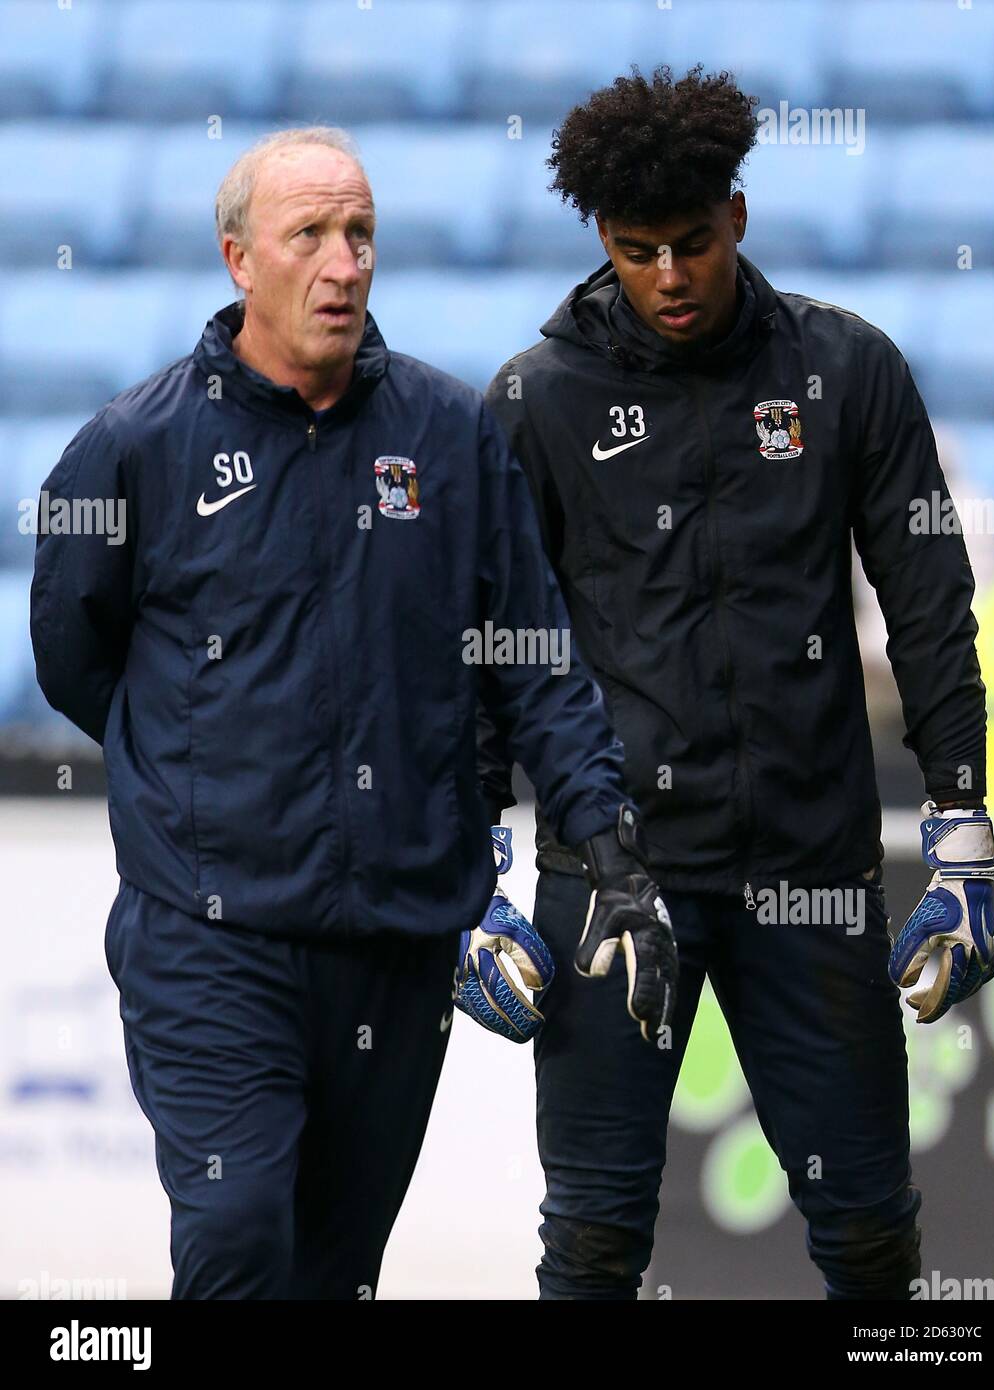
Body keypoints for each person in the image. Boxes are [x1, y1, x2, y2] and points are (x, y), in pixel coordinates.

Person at [29, 126, 675, 1300]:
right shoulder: (132, 449)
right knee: (233, 1237)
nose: (344, 263)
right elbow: (79, 662)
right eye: (311, 235)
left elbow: (534, 662)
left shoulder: (448, 435)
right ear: (240, 259)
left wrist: (610, 847)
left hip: (396, 943)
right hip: (208, 936)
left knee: (333, 1275)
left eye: (361, 234)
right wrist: (202, 776)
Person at [477, 67, 994, 1301]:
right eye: (638, 249)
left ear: (740, 217)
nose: (668, 275)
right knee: (595, 1240)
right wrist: (473, 875)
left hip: (812, 869)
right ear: (602, 242)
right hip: (613, 881)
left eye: (692, 244)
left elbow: (928, 607)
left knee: (872, 1233)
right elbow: (481, 650)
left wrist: (962, 837)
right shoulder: (535, 402)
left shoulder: (848, 372)